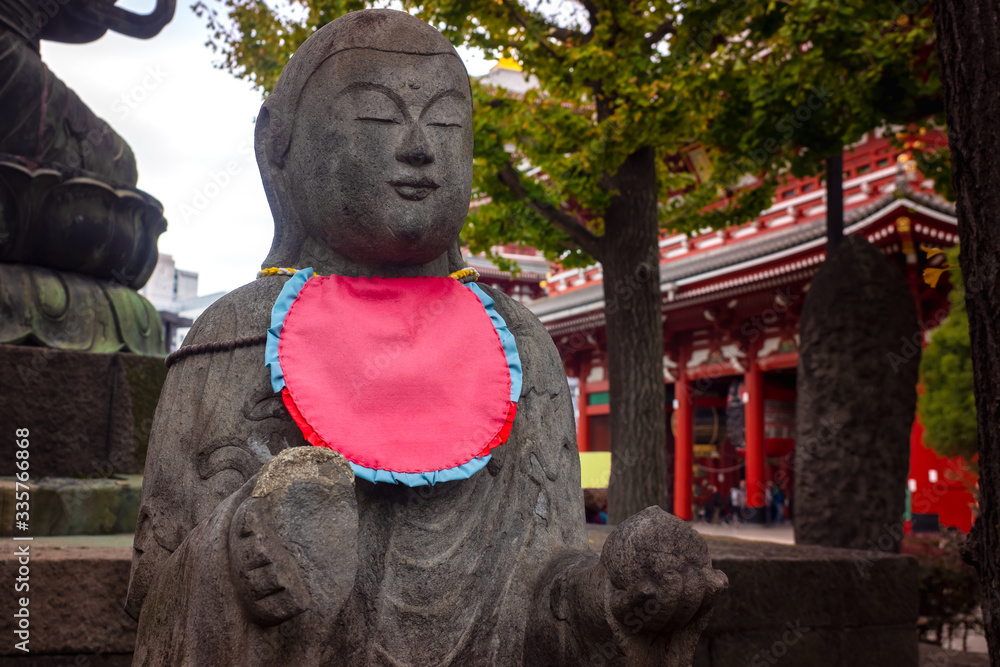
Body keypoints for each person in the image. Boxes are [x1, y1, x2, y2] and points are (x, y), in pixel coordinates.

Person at [125, 11, 726, 666]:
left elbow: (545, 584)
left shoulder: (517, 344)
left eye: (445, 123)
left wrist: (609, 594)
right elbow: (157, 579)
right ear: (280, 146)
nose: (419, 147)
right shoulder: (235, 335)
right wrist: (239, 550)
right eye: (377, 118)